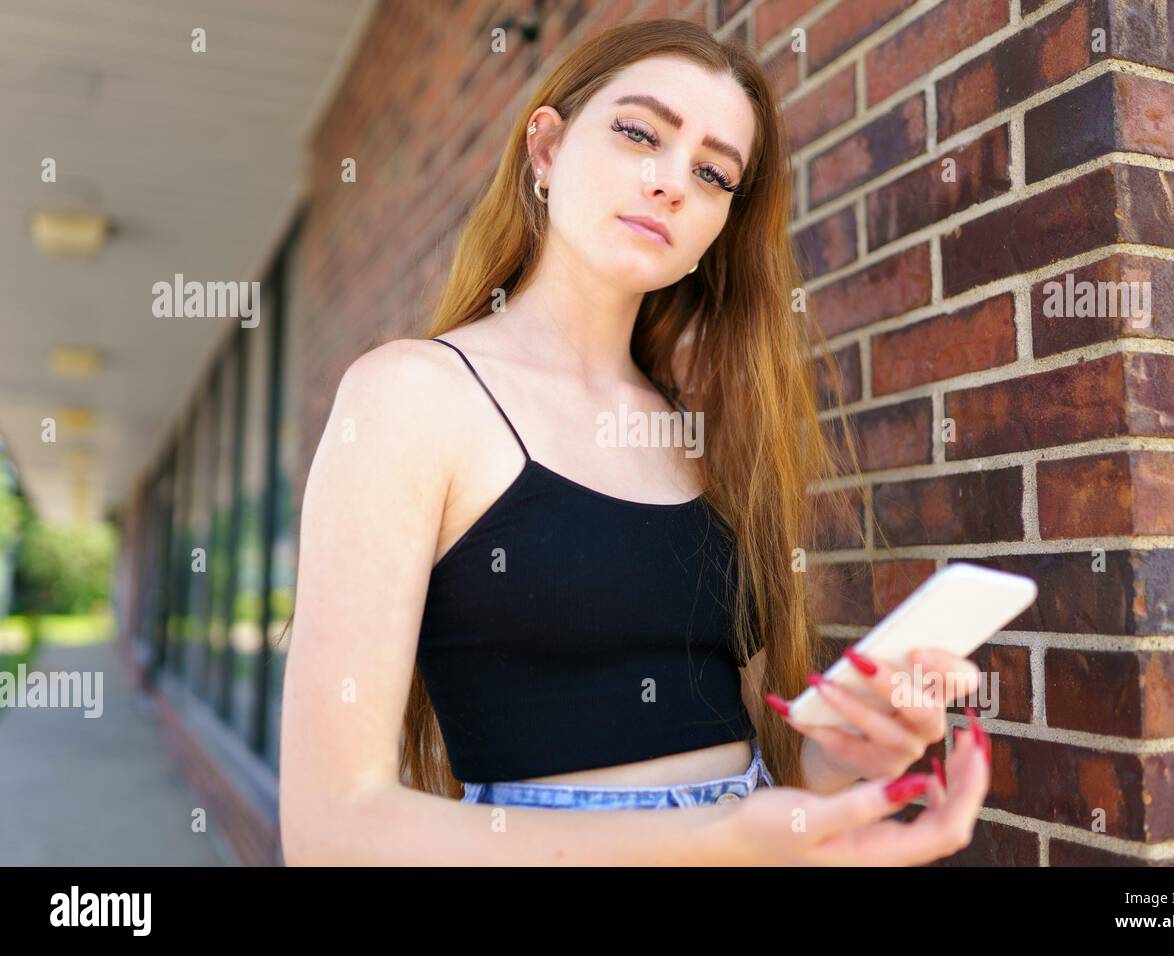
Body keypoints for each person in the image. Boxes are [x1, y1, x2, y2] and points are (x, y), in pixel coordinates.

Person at [278, 18, 990, 866]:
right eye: (638, 133)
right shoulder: (409, 396)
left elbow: (765, 788)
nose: (671, 183)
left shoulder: (708, 435)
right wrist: (706, 841)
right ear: (545, 151)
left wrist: (843, 760)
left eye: (713, 173)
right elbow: (331, 832)